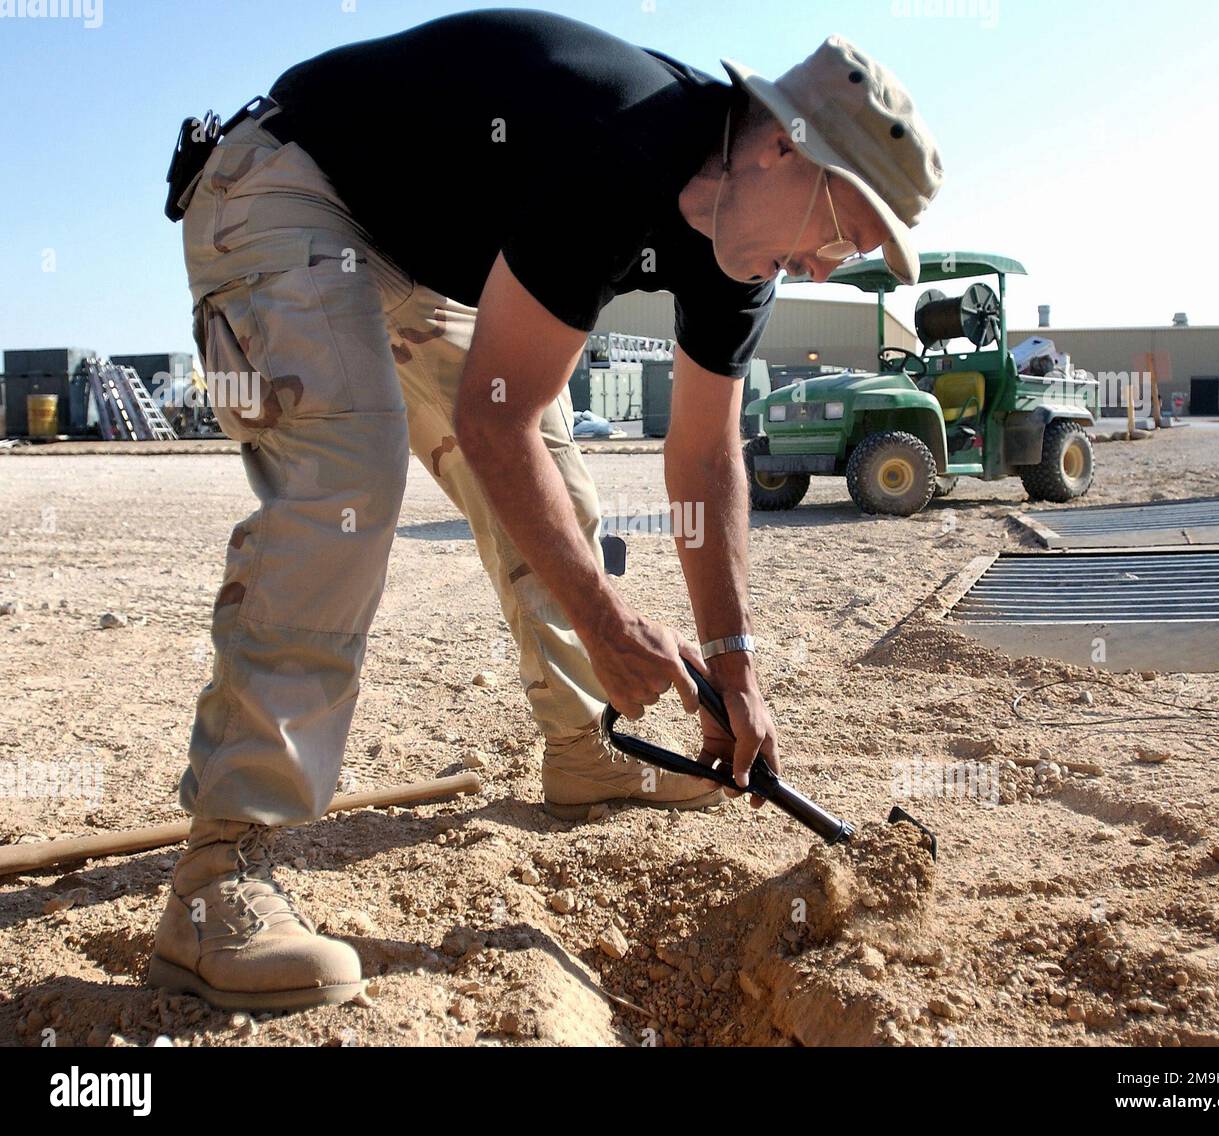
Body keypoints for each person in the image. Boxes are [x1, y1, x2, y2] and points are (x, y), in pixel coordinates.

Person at [149, 8, 943, 1011]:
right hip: (282, 185)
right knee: (349, 475)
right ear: (783, 146)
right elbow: (491, 421)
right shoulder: (622, 140)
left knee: (555, 496)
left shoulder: (740, 250)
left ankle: (590, 751)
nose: (831, 264)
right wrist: (610, 621)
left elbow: (700, 454)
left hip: (416, 255)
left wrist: (735, 671)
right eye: (843, 228)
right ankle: (218, 880)